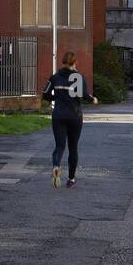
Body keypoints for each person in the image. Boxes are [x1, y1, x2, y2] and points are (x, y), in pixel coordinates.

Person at [42, 51, 97, 188]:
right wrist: (93, 100)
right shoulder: (78, 77)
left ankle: (56, 166)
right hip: (75, 115)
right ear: (75, 62)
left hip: (59, 115)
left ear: (62, 62)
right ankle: (71, 179)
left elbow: (45, 94)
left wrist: (57, 97)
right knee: (73, 148)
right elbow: (84, 95)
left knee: (59, 146)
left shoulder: (55, 77)